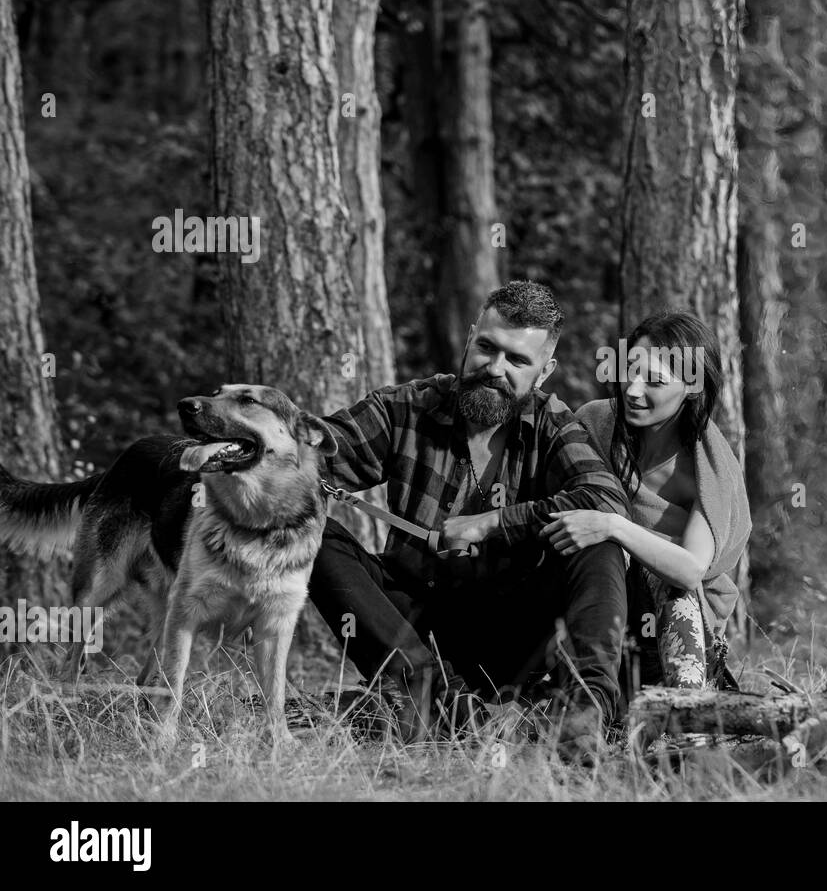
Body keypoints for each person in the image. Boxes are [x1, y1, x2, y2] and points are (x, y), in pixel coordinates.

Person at [307, 281, 630, 753]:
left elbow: (605, 500)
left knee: (596, 539)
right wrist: (226, 449)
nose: (495, 368)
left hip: (516, 634)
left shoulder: (554, 425)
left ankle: (582, 717)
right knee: (315, 535)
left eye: (517, 361)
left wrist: (493, 522)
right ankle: (441, 708)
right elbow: (306, 456)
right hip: (414, 630)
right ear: (470, 338)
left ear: (545, 372)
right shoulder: (405, 409)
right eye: (487, 348)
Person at [546, 311, 751, 691]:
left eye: (655, 380)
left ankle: (688, 716)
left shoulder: (707, 464)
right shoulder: (594, 423)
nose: (633, 390)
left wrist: (613, 526)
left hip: (671, 620)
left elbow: (690, 569)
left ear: (692, 388)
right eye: (630, 371)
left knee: (672, 582)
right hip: (592, 601)